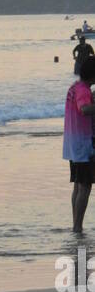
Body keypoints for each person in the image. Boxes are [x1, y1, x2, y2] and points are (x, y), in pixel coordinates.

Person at [63, 55, 95, 231]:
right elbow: (84, 109)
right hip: (83, 145)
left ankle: (76, 225)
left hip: (73, 143)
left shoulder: (75, 87)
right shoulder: (83, 90)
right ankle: (77, 227)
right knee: (85, 186)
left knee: (78, 184)